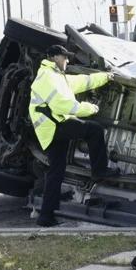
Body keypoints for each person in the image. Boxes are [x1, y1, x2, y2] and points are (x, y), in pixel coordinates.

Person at [29, 45, 118, 227]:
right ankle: (99, 170)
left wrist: (106, 76)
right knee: (94, 130)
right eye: (65, 57)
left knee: (56, 172)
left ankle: (46, 216)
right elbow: (64, 106)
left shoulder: (56, 76)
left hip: (52, 128)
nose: (68, 61)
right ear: (54, 57)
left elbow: (83, 81)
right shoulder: (47, 77)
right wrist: (92, 108)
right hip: (54, 127)